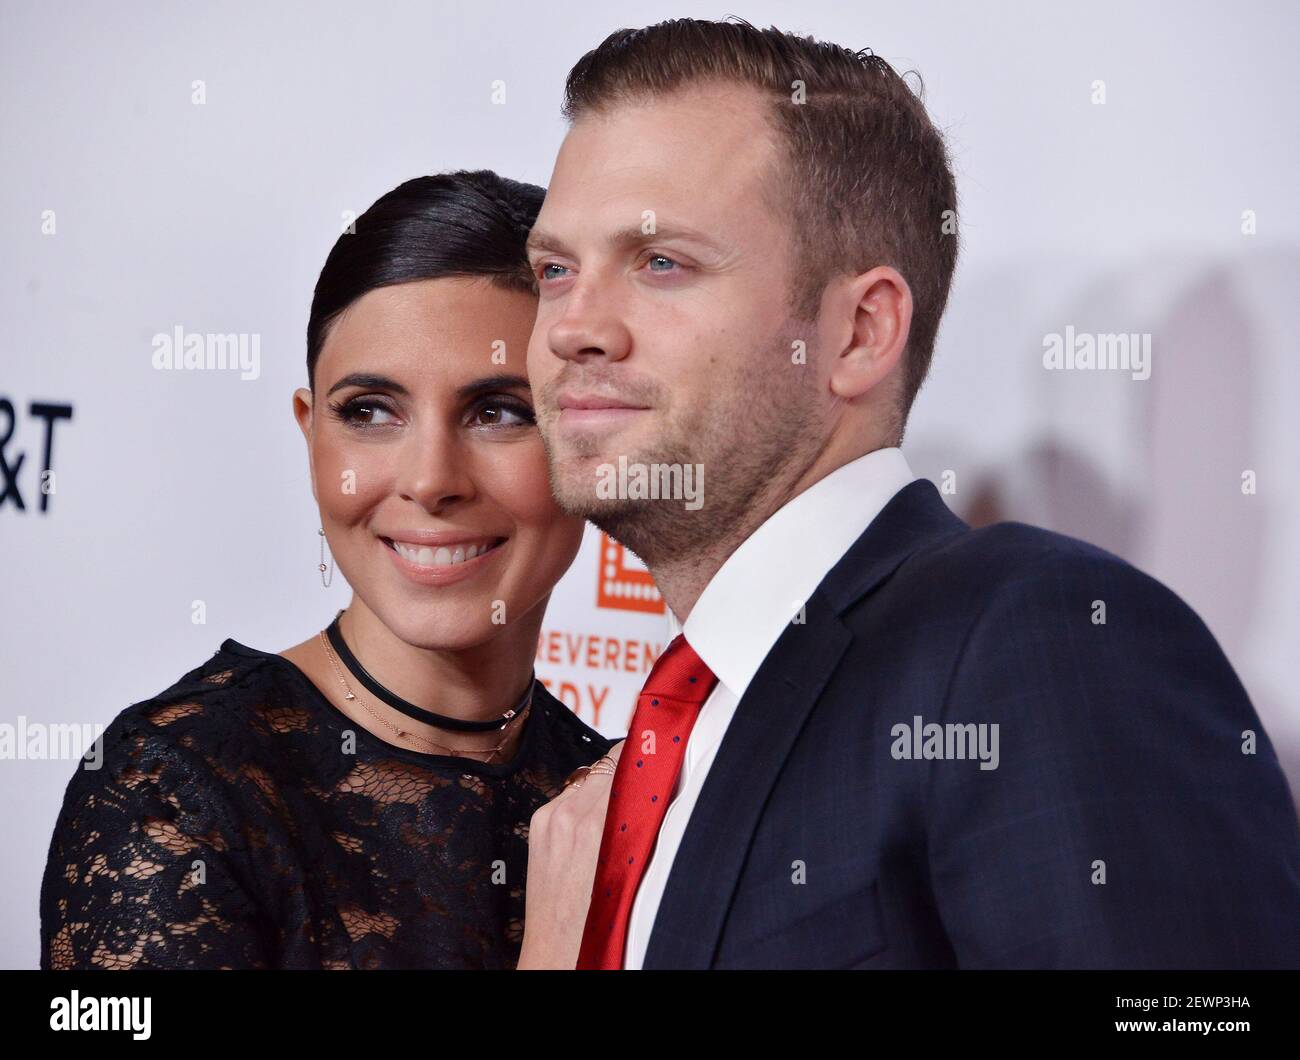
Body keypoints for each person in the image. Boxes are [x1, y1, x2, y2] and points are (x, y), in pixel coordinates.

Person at [521, 18, 1300, 968]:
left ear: (857, 333)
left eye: (661, 263)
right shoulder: (666, 745)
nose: (573, 328)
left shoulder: (1036, 638)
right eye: (555, 270)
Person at [39, 169, 614, 969]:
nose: (429, 479)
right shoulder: (175, 788)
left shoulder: (618, 791)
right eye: (370, 412)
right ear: (313, 437)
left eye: (498, 412)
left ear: (592, 439)